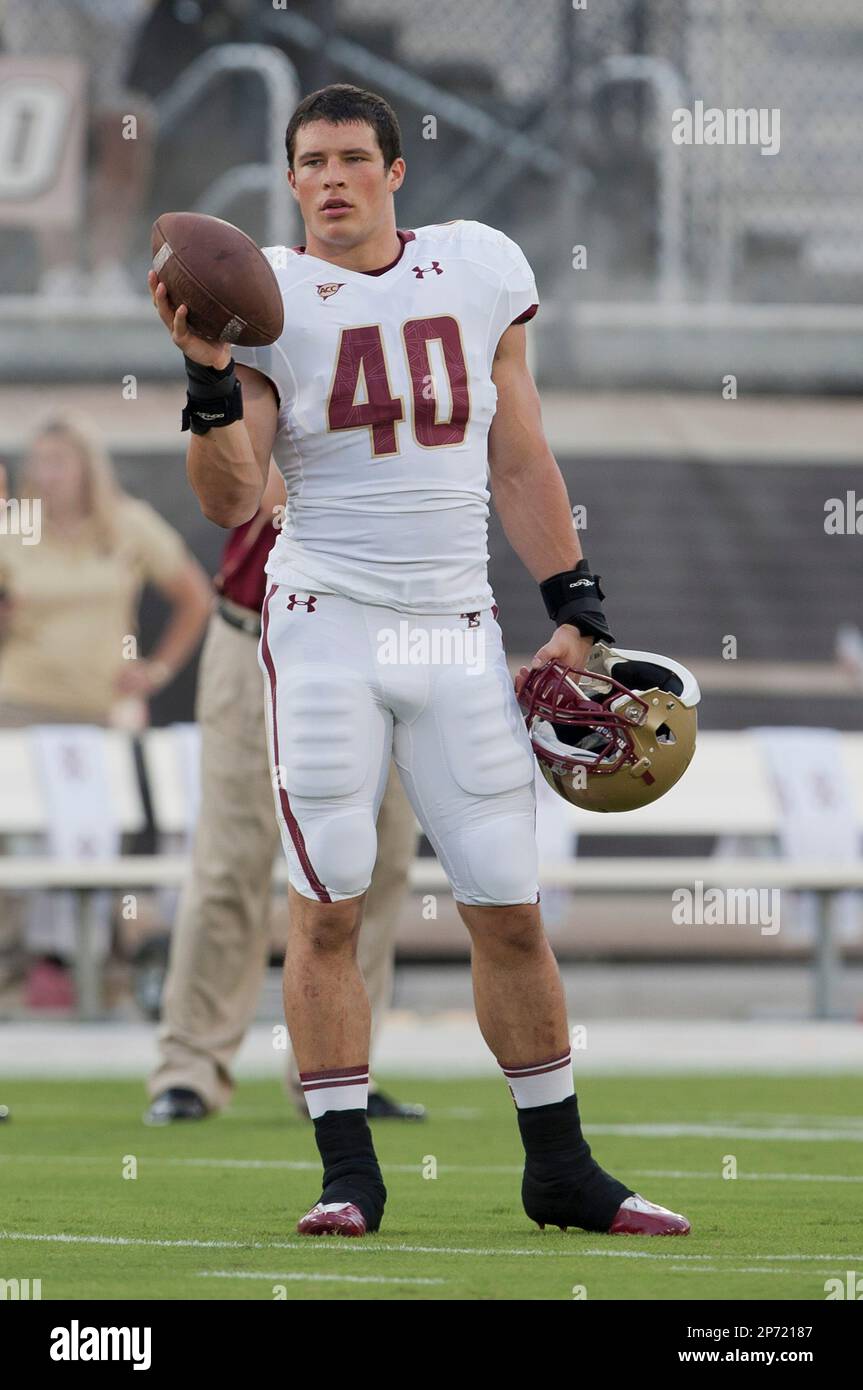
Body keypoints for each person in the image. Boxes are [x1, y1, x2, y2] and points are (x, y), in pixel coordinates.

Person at [148, 83, 690, 1238]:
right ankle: (348, 1171)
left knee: (507, 903)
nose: (331, 179)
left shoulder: (480, 265)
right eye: (309, 162)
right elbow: (232, 498)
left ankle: (559, 1168)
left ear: (397, 174)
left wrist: (573, 597)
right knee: (329, 900)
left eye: (352, 158)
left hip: (452, 623)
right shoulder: (269, 298)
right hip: (327, 617)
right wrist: (202, 372)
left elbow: (518, 451)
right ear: (287, 181)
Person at [145, 458, 423, 1124]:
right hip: (262, 634)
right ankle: (190, 1067)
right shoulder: (287, 360)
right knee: (232, 859)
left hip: (387, 640)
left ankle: (337, 1068)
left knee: (377, 864)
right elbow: (254, 492)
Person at [0, 416, 212, 1003]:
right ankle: (20, 973)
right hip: (18, 710)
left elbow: (195, 597)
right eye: (38, 461)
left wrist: (156, 670)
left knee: (103, 842)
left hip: (101, 715)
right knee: (20, 847)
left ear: (88, 468)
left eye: (60, 461)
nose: (46, 475)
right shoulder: (12, 527)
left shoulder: (128, 524)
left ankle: (113, 971)